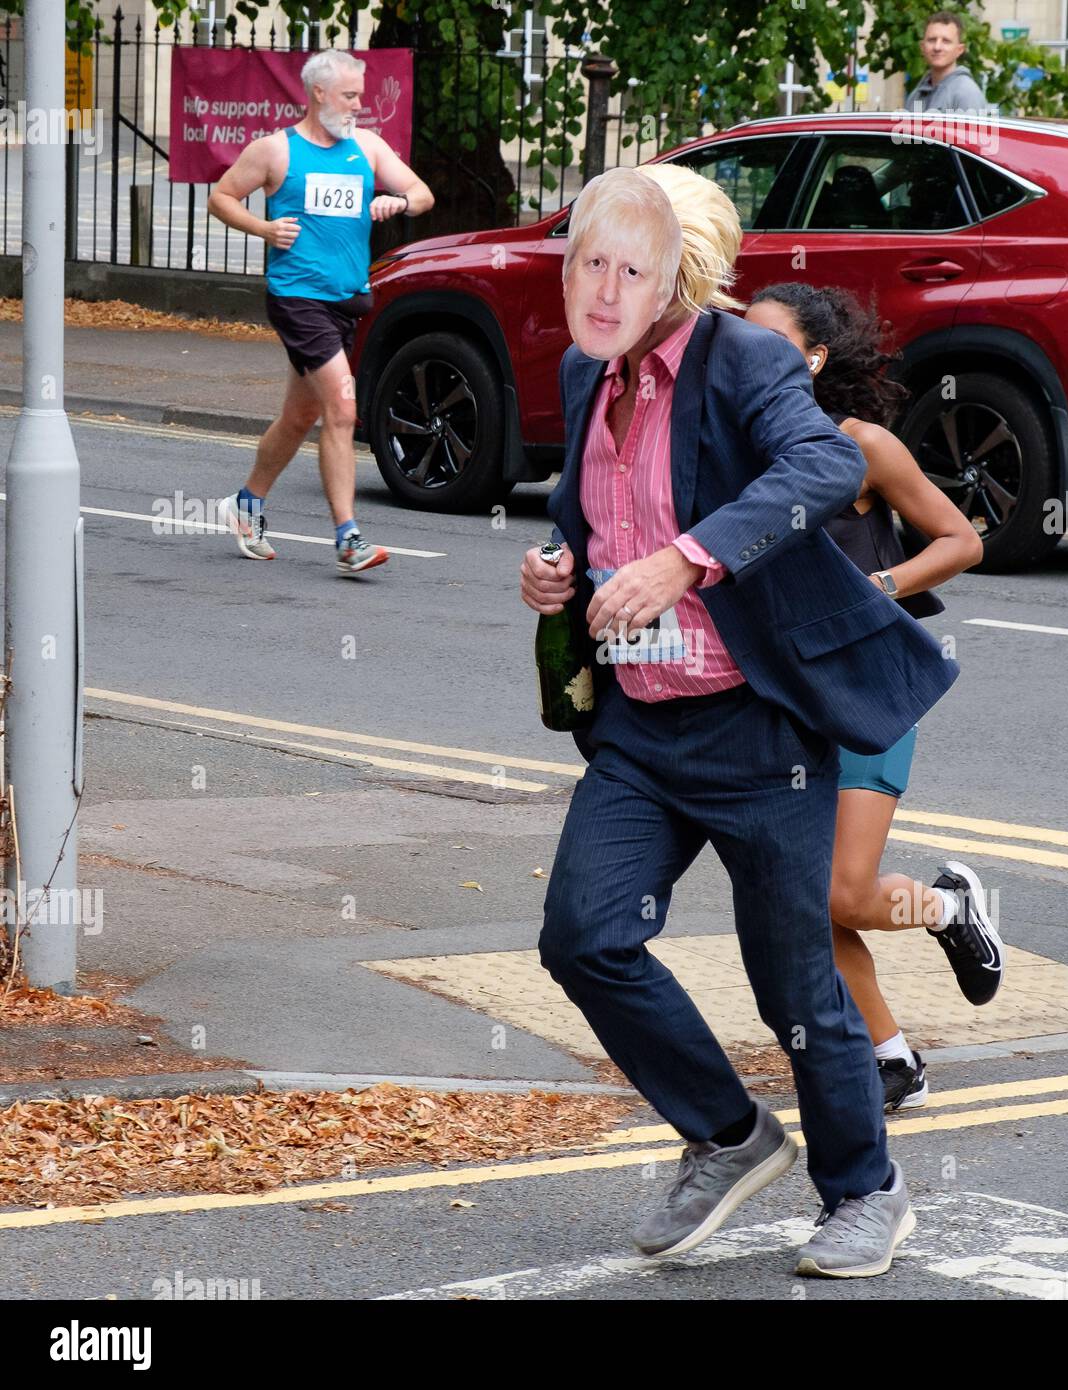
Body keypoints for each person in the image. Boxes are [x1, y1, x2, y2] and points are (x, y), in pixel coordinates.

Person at [520, 164, 959, 1278]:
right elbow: (592, 513)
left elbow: (820, 461)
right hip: (640, 724)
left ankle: (864, 1190)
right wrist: (561, 571)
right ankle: (726, 1135)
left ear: (678, 271)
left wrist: (685, 558)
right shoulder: (586, 371)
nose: (602, 284)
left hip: (759, 727)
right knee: (583, 935)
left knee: (793, 983)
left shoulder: (744, 358)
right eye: (587, 259)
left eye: (628, 263)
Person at [746, 284, 1003, 1114]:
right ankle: (893, 1059)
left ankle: (947, 906)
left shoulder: (860, 447)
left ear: (813, 360)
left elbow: (963, 539)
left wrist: (876, 587)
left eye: (769, 341)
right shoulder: (737, 448)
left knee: (841, 893)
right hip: (785, 700)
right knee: (805, 897)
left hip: (865, 695)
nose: (746, 354)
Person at [207, 49, 432, 575]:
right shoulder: (275, 151)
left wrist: (397, 203)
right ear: (318, 94)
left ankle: (245, 505)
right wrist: (263, 229)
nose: (359, 105)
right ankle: (348, 537)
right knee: (343, 408)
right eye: (350, 95)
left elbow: (422, 193)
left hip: (346, 302)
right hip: (296, 297)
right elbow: (221, 197)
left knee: (300, 415)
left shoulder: (368, 148)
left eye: (361, 95)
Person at [904, 11, 988, 113]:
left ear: (959, 50)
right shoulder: (916, 95)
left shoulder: (966, 93)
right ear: (922, 47)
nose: (937, 47)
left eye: (946, 41)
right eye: (932, 40)